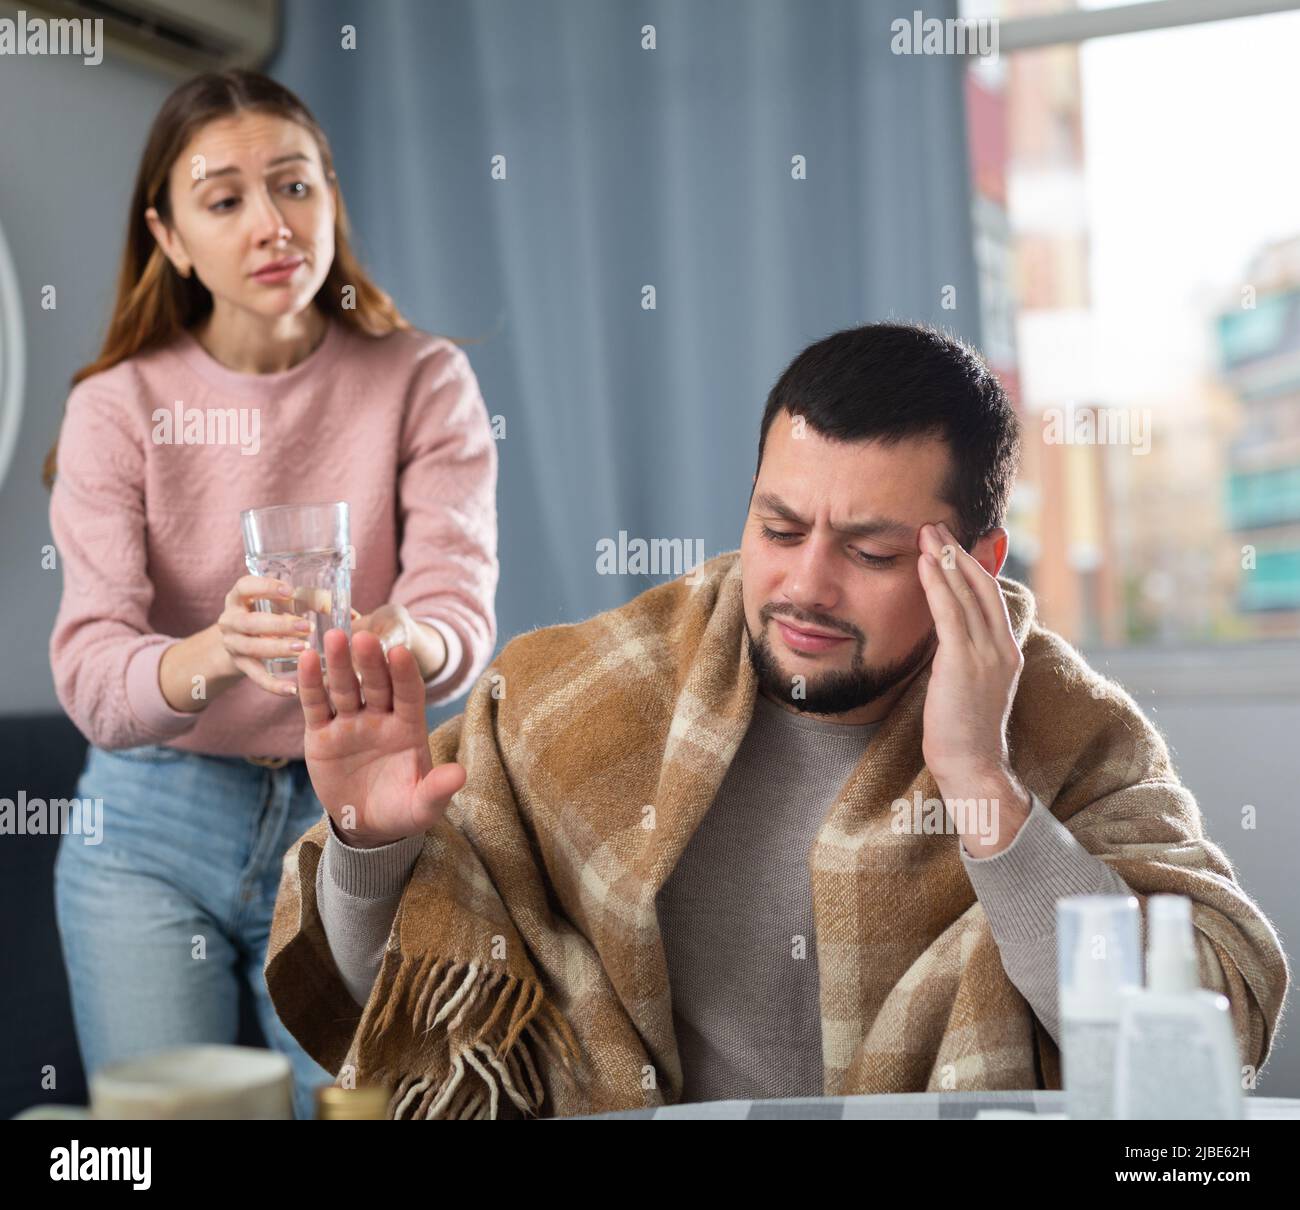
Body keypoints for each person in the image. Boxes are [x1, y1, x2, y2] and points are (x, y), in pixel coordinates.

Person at [267, 323, 1288, 1119]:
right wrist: (372, 850)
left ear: (977, 564)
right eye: (779, 527)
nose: (805, 586)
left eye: (871, 552)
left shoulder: (1070, 727)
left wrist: (982, 784)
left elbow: (1214, 1028)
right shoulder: (572, 694)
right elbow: (380, 1010)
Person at [45, 70, 498, 1120]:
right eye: (224, 200)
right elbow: (92, 672)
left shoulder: (422, 379)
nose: (272, 224)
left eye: (295, 185)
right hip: (150, 826)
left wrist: (408, 637)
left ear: (331, 194)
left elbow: (458, 614)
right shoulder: (117, 407)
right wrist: (217, 651)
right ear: (169, 237)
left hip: (353, 819)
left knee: (373, 1111)